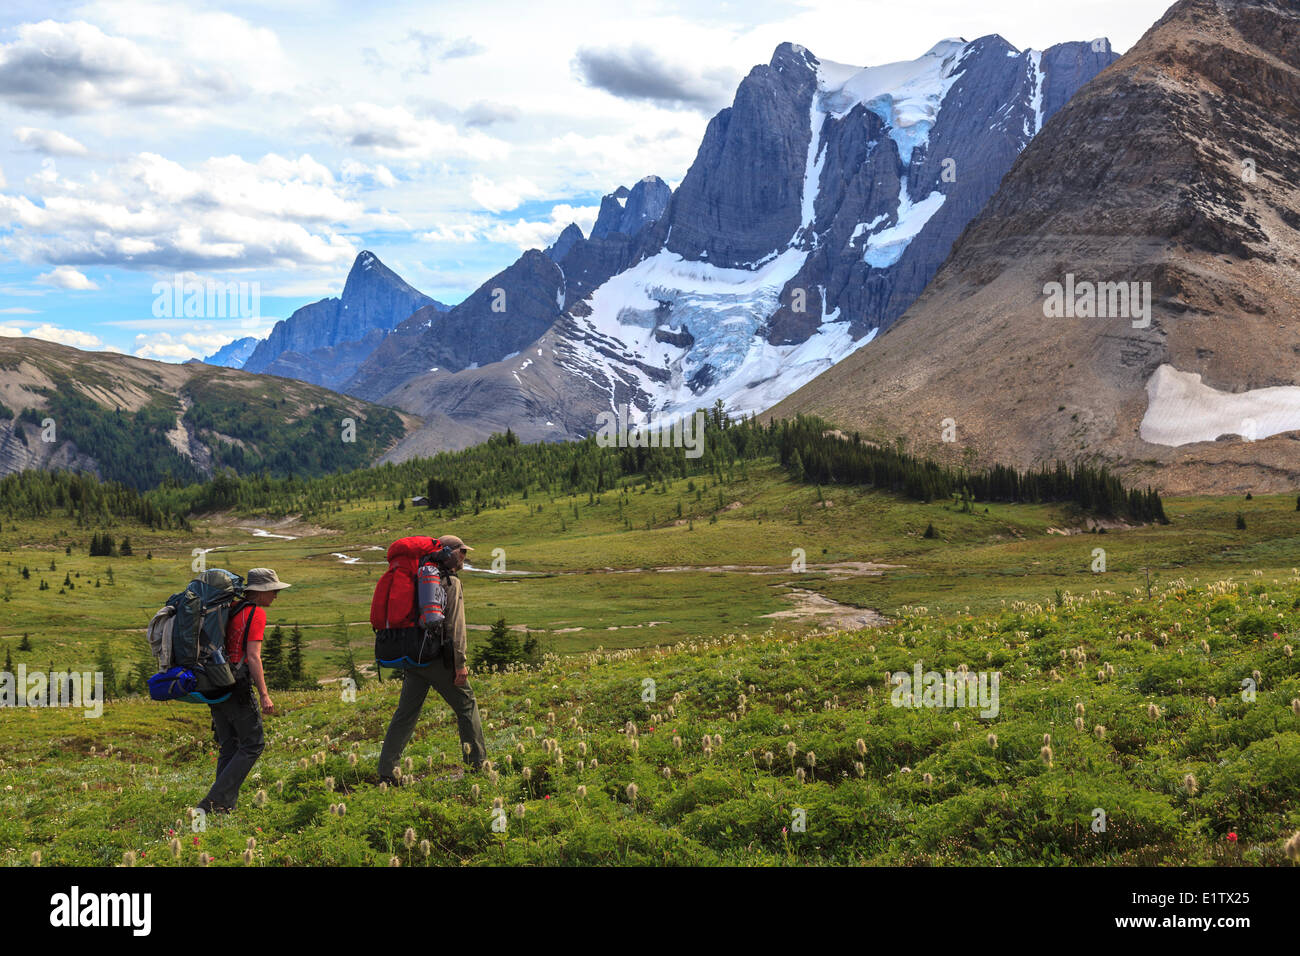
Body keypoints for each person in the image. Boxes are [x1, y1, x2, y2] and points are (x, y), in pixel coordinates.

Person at [378, 535, 486, 783]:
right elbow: (455, 626)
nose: (464, 558)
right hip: (438, 658)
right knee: (466, 705)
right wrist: (460, 664)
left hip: (414, 656)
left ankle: (387, 770)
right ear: (450, 553)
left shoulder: (419, 575)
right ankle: (477, 766)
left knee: (406, 713)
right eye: (462, 552)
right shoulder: (449, 581)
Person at [196, 567, 288, 814]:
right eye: (273, 591)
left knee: (230, 745)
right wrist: (264, 694)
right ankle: (213, 802)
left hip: (215, 681)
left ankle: (223, 805)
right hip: (237, 685)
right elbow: (253, 657)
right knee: (253, 744)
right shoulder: (256, 613)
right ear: (258, 593)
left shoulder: (232, 609)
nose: (276, 596)